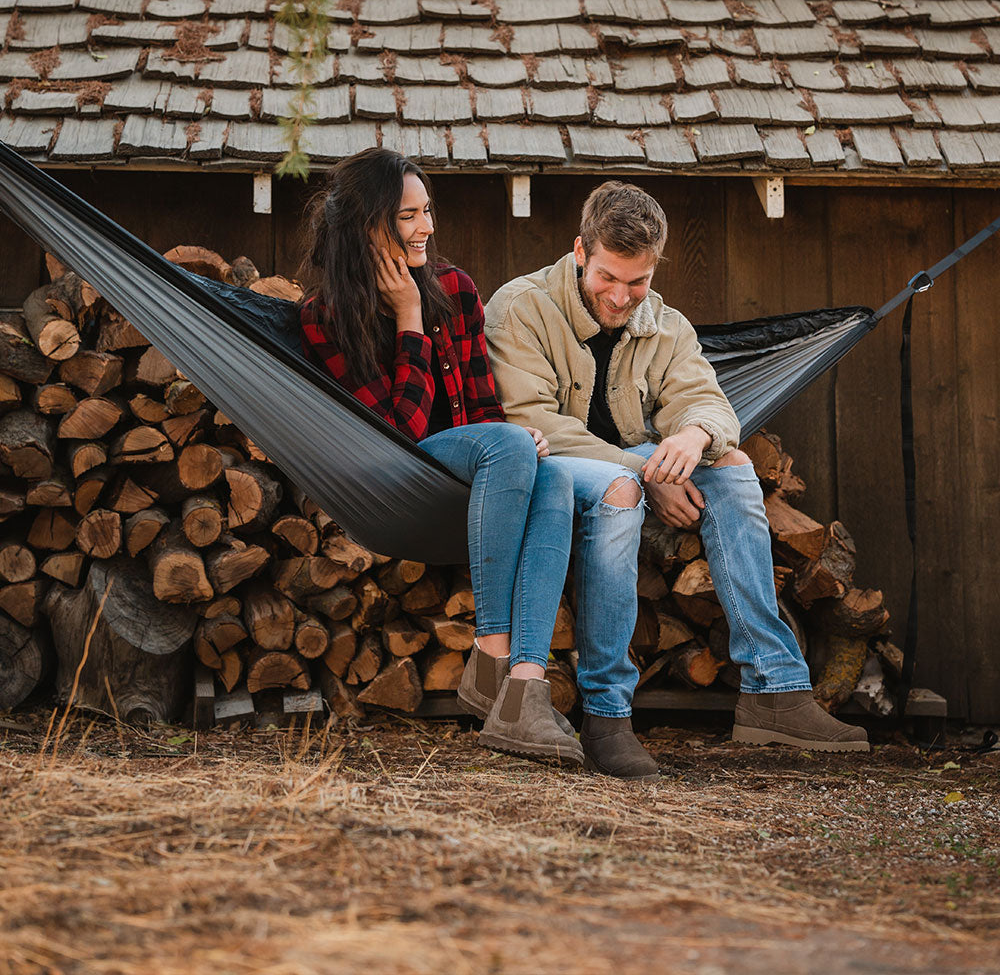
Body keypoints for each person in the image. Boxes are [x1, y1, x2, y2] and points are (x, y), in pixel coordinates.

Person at [484, 180, 870, 776]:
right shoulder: (520, 307)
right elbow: (532, 423)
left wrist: (692, 438)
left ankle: (773, 688)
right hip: (551, 468)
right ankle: (608, 715)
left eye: (637, 282)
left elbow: (709, 404)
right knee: (622, 495)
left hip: (636, 458)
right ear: (581, 251)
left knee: (736, 468)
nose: (620, 297)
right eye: (608, 278)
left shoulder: (665, 323)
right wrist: (648, 472)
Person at [298, 148, 582, 767]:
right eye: (408, 216)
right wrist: (408, 321)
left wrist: (517, 447)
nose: (426, 226)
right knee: (510, 446)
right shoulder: (324, 318)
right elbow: (396, 430)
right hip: (400, 480)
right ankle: (492, 656)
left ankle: (524, 684)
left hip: (474, 473)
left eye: (427, 210)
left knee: (552, 471)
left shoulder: (455, 287)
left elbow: (483, 408)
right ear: (368, 226)